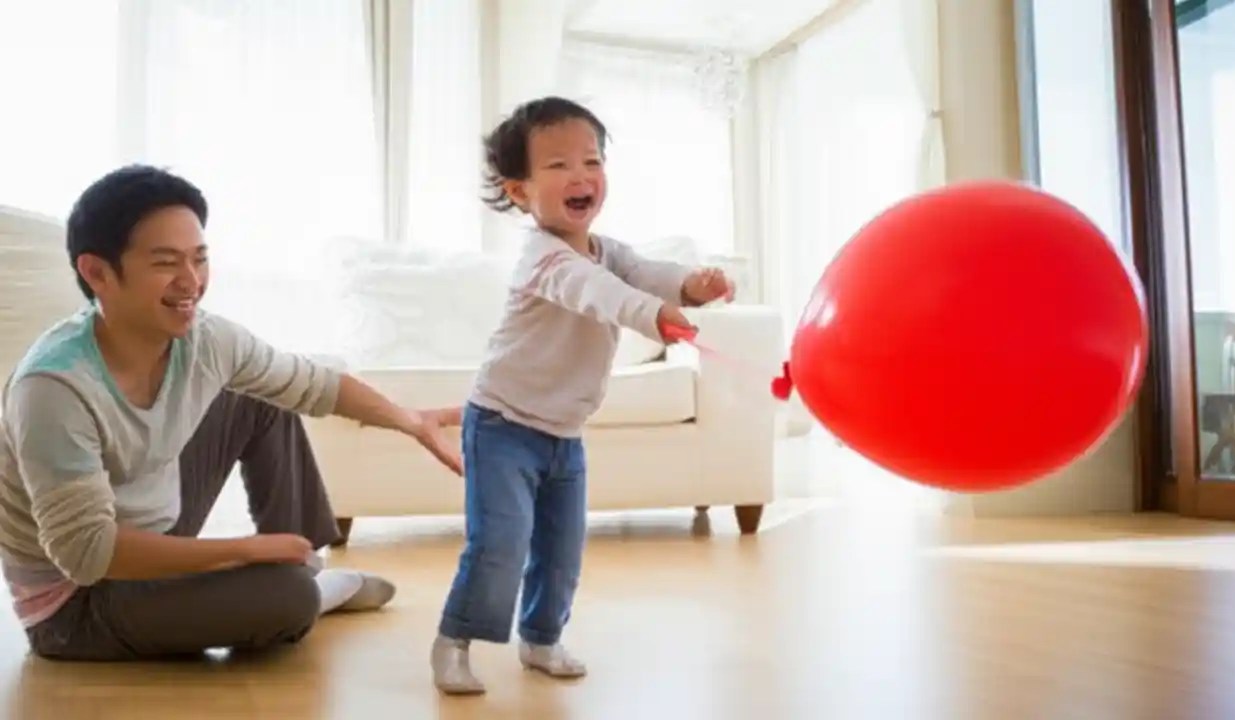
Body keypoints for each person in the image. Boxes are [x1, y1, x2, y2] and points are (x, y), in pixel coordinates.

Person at [0, 164, 464, 661]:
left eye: (199, 259)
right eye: (165, 262)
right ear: (97, 273)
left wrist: (409, 420)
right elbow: (88, 555)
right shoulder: (53, 388)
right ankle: (299, 592)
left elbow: (311, 383)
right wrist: (243, 550)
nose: (191, 281)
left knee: (260, 395)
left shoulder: (204, 340)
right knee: (287, 601)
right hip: (78, 602)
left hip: (155, 530)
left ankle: (301, 565)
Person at [430, 96, 734, 694]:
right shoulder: (542, 259)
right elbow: (599, 293)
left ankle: (541, 638)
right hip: (502, 426)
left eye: (592, 162)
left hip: (564, 434)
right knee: (500, 543)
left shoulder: (608, 250)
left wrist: (691, 287)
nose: (581, 177)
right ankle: (454, 639)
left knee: (563, 550)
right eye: (559, 165)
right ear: (519, 192)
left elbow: (645, 273)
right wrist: (656, 315)